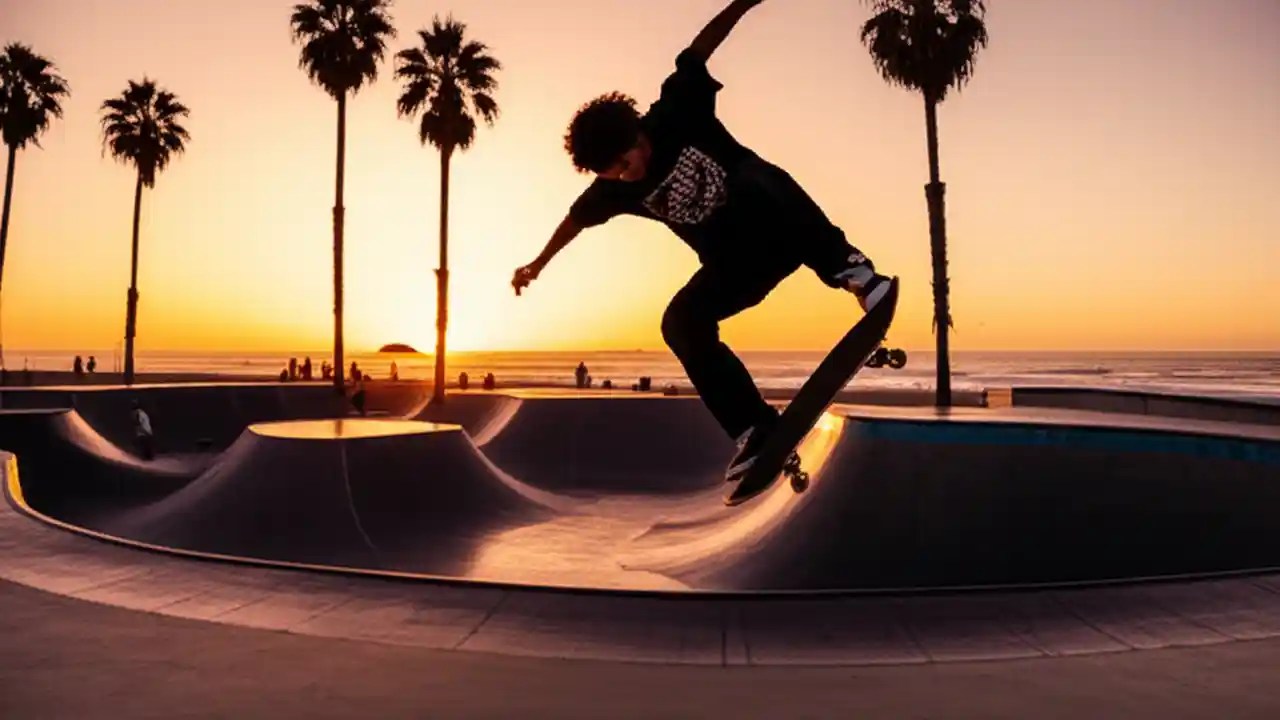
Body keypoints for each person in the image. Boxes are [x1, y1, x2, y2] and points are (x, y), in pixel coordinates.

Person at [512, 0, 893, 490]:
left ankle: (853, 273)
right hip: (737, 267)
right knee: (680, 322)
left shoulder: (676, 110)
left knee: (757, 176)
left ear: (636, 131)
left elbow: (698, 48)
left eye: (629, 161)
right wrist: (537, 265)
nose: (633, 174)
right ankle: (755, 427)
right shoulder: (613, 189)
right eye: (619, 173)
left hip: (780, 226)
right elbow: (574, 221)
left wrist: (746, 3)